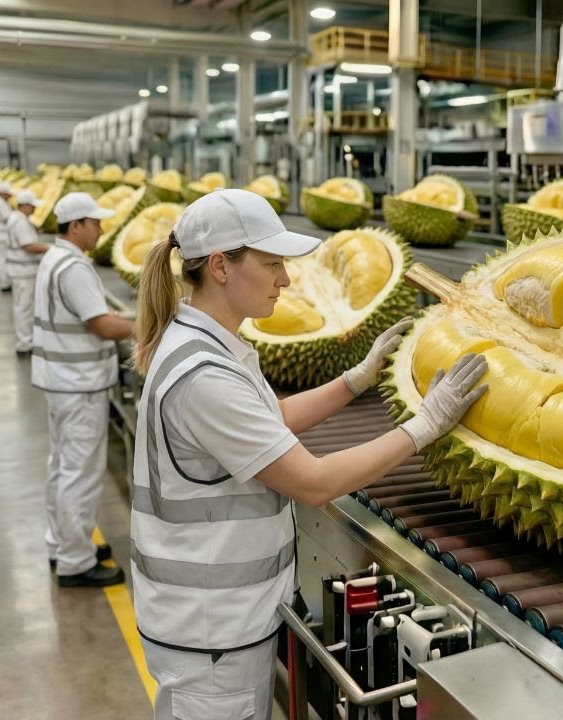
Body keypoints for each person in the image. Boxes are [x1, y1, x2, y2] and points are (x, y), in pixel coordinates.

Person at [128, 189, 487, 720]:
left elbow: (272, 421)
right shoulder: (202, 375)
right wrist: (425, 425)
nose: (286, 279)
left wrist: (354, 379)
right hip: (210, 635)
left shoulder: (211, 341)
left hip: (220, 624)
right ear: (222, 267)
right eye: (272, 264)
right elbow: (314, 482)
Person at [32, 192, 134, 587]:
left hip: (61, 384)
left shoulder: (54, 258)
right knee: (80, 472)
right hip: (79, 387)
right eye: (96, 223)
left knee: (61, 466)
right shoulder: (73, 267)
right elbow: (102, 325)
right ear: (76, 226)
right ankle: (76, 560)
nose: (102, 229)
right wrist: (145, 325)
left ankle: (63, 544)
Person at [3, 190, 49, 353]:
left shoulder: (17, 219)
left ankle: (27, 338)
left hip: (21, 271)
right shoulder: (20, 222)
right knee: (23, 307)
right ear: (26, 206)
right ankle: (24, 342)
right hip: (22, 272)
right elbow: (28, 246)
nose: (35, 209)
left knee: (23, 306)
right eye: (33, 206)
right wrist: (51, 248)